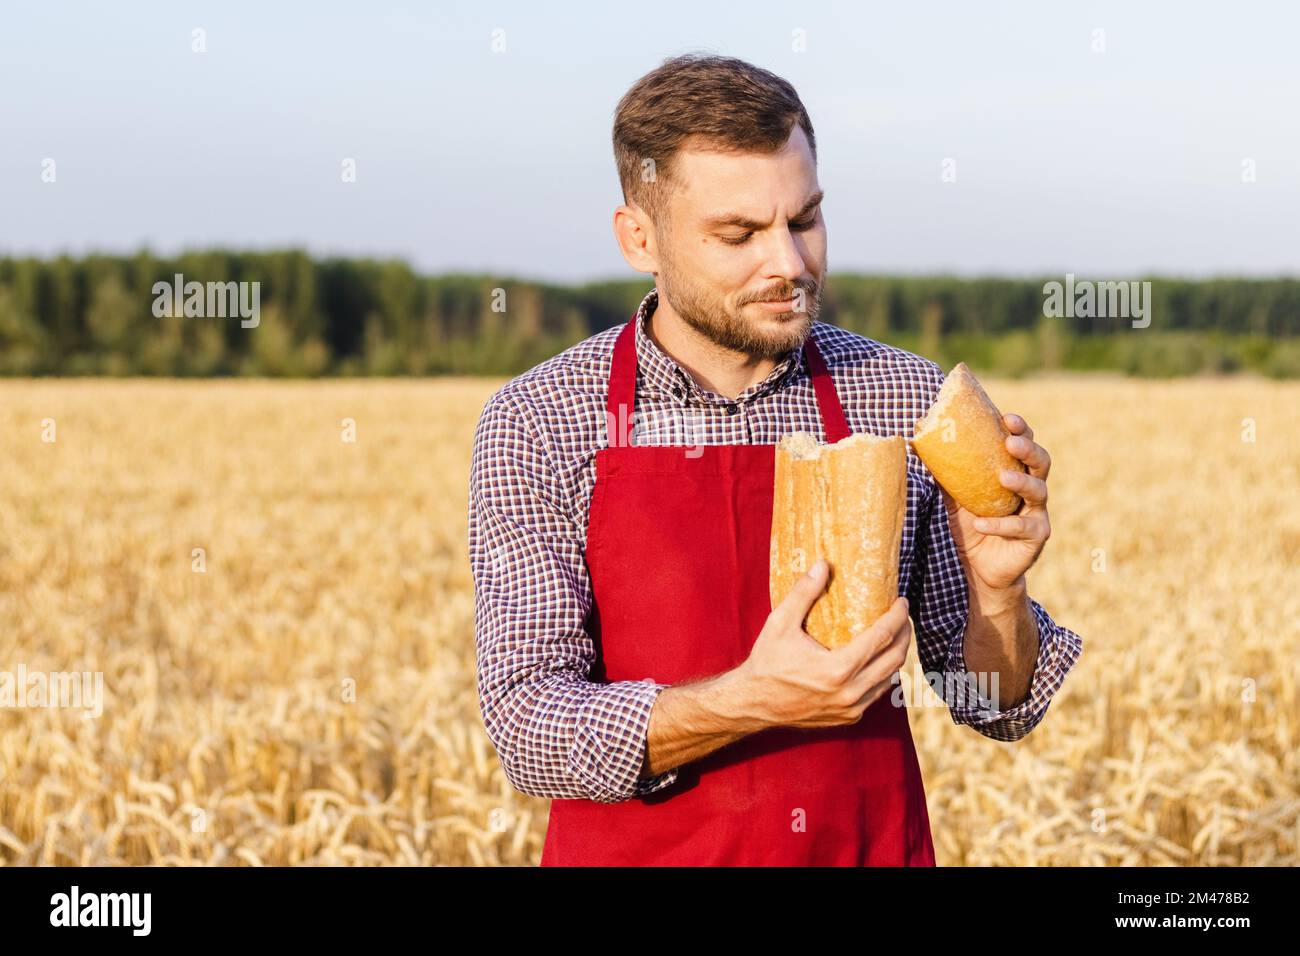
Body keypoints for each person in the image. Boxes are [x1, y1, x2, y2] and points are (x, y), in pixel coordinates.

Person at [467, 53, 1082, 866]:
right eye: (739, 234)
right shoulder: (540, 420)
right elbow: (528, 730)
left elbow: (994, 707)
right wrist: (745, 702)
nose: (789, 263)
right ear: (638, 238)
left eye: (805, 219)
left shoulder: (899, 396)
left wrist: (999, 593)